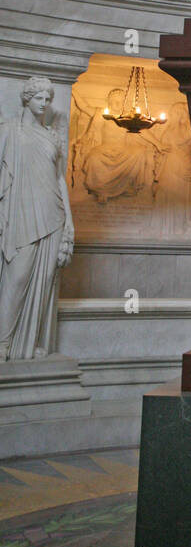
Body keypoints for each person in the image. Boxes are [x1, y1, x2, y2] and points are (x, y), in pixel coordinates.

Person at [0, 76, 74, 361]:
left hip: (52, 212)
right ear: (26, 99)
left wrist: (69, 219)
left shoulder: (52, 136)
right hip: (20, 210)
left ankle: (28, 345)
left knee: (44, 281)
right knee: (16, 276)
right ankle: (4, 341)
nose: (44, 104)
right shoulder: (9, 132)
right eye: (39, 98)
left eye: (48, 99)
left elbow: (59, 180)